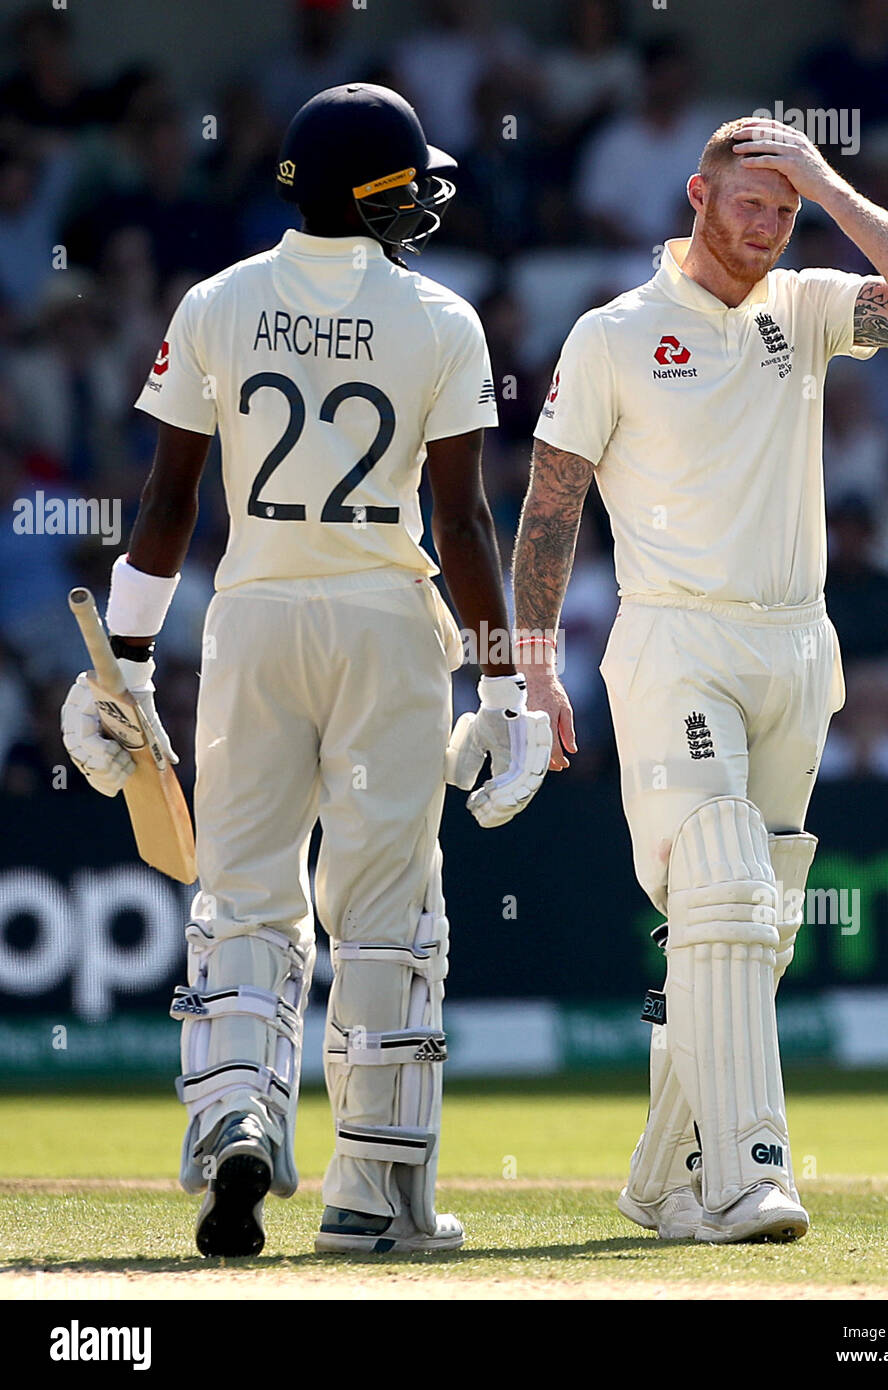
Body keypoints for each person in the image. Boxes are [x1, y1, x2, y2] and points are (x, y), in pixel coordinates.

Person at [60, 84, 551, 1258]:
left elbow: (170, 502)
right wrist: (502, 686)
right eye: (410, 183)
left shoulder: (217, 303)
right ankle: (373, 1202)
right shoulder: (442, 315)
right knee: (385, 910)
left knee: (242, 892)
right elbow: (464, 525)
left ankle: (237, 1112)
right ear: (376, 194)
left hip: (254, 622)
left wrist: (121, 667)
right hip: (385, 622)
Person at [512, 115, 888, 1243]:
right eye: (748, 201)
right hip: (675, 640)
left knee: (759, 922)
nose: (766, 225)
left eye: (784, 208)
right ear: (695, 196)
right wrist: (531, 668)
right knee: (716, 881)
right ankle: (747, 1175)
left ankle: (662, 1176)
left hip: (797, 644)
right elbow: (551, 504)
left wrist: (829, 184)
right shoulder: (614, 333)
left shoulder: (805, 308)